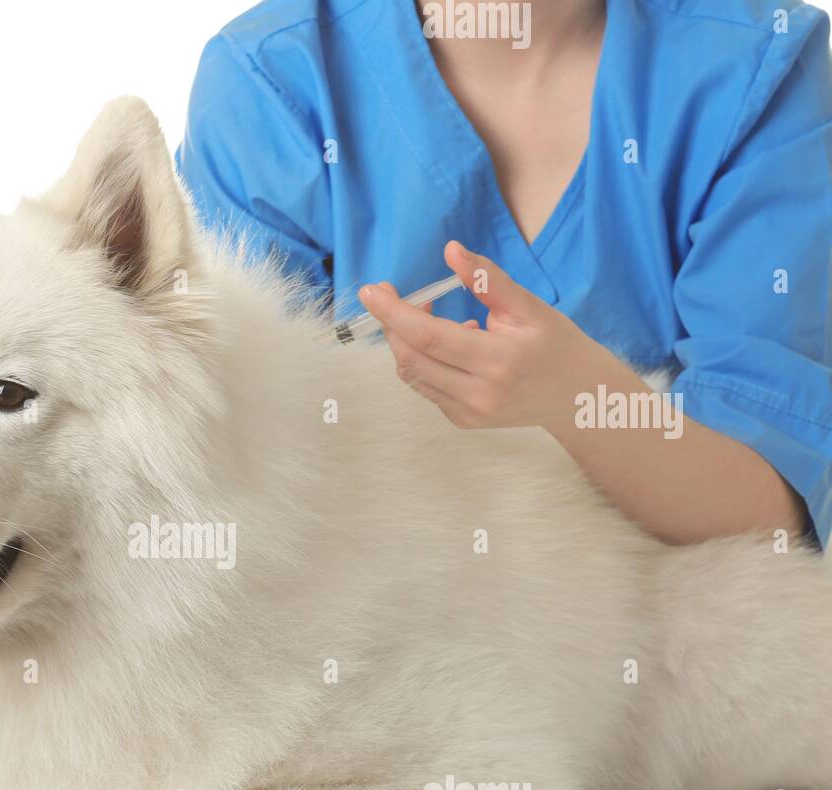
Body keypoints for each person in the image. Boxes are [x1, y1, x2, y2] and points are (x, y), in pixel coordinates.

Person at [176, 0, 832, 545]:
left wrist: (579, 401)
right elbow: (220, 474)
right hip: (376, 641)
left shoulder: (754, 67)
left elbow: (771, 510)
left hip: (670, 648)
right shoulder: (272, 83)